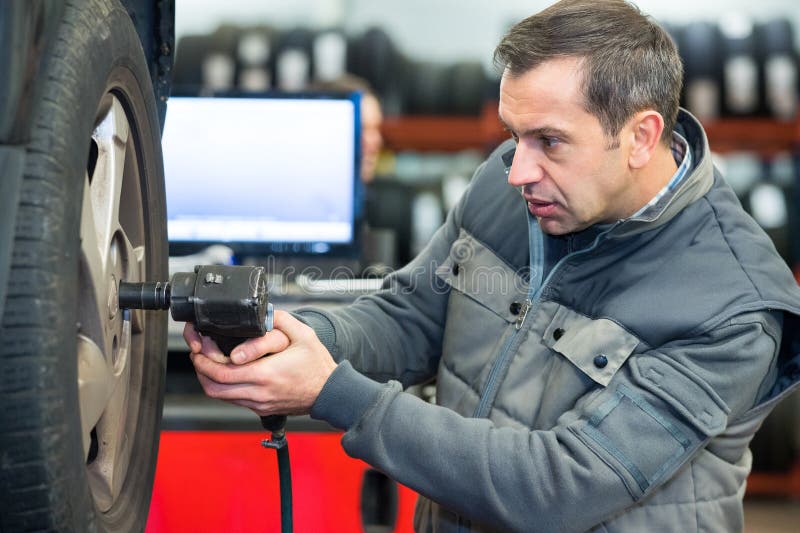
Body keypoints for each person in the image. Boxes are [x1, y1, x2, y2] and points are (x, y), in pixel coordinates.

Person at [185, 1, 800, 531]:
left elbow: (556, 488)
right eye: (514, 135)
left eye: (549, 141)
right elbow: (409, 316)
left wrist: (333, 392)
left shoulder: (733, 307)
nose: (516, 171)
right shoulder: (513, 189)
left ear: (641, 137)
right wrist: (297, 338)